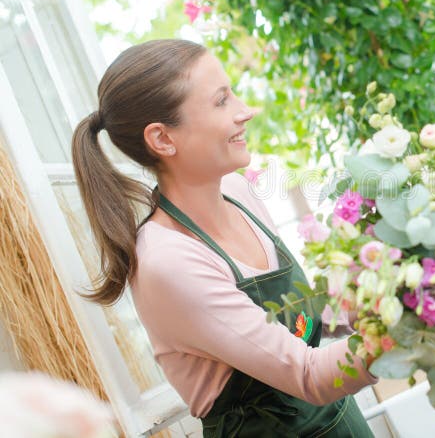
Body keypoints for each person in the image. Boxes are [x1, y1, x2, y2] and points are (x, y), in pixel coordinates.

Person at [71, 40, 376, 437]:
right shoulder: (168, 261)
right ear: (162, 139)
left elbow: (297, 316)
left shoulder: (238, 191)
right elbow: (306, 374)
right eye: (221, 101)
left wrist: (380, 297)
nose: (245, 111)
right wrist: (408, 326)